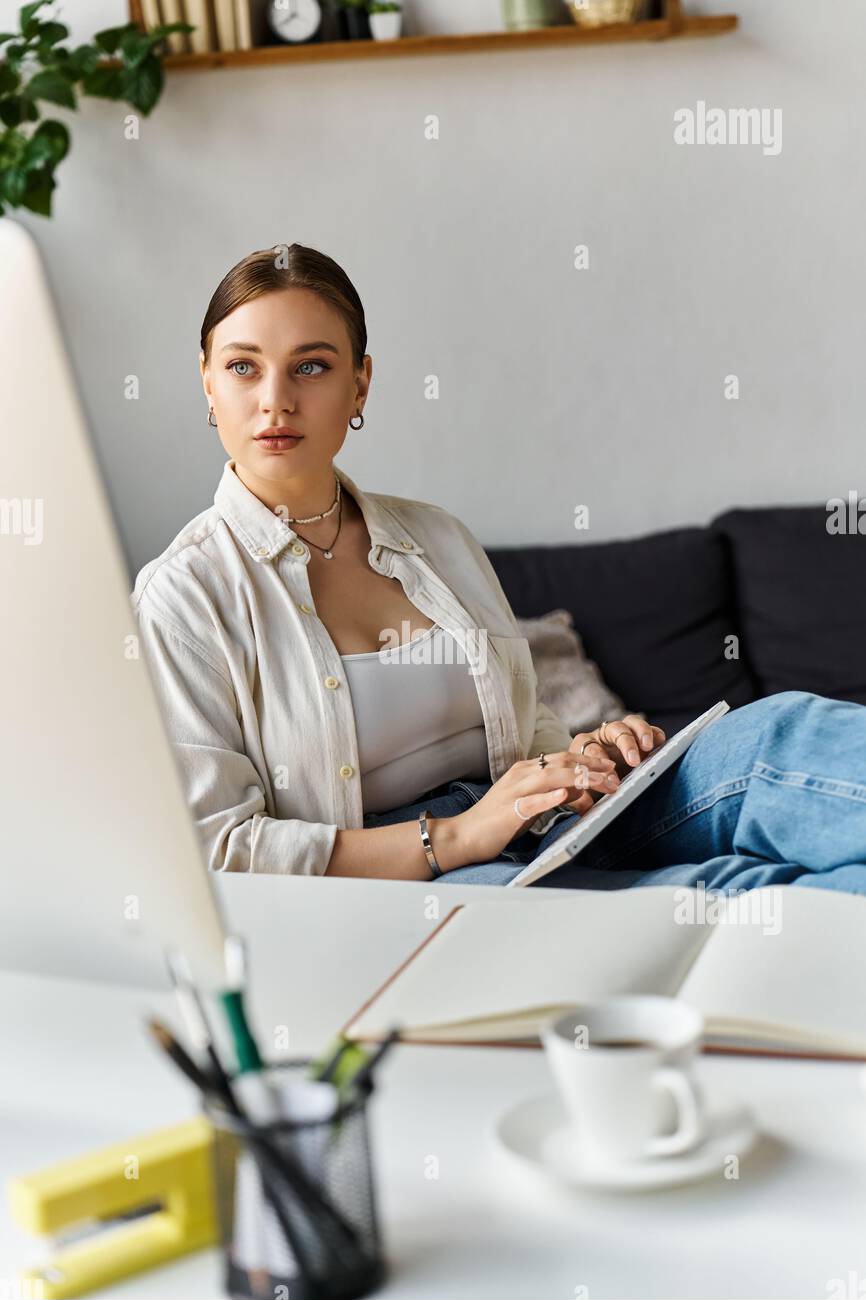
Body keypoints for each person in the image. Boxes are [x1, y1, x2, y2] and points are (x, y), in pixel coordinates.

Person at [131, 243, 866, 898]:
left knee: (783, 734)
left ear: (360, 385)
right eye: (242, 367)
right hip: (424, 875)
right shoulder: (184, 597)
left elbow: (527, 730)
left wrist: (586, 754)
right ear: (206, 382)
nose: (275, 400)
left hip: (543, 819)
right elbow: (217, 846)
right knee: (737, 890)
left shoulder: (437, 538)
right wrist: (453, 837)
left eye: (312, 366)